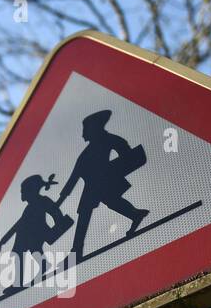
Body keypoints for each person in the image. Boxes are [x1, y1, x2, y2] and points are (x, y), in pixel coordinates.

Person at [56, 110, 149, 262]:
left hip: (102, 182)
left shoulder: (108, 140)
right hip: (92, 186)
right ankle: (135, 214)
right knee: (99, 207)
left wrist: (111, 172)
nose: (84, 133)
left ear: (95, 128)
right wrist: (58, 203)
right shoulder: (86, 153)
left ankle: (76, 251)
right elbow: (74, 178)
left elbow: (127, 153)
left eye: (86, 128)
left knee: (98, 207)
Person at [0, 173, 72, 287]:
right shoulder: (29, 207)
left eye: (23, 190)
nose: (22, 193)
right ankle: (43, 264)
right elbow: (18, 224)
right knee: (31, 250)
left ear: (31, 190)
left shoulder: (43, 201)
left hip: (38, 233)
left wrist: (58, 226)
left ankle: (18, 282)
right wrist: (3, 241)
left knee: (20, 253)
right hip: (26, 235)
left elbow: (56, 213)